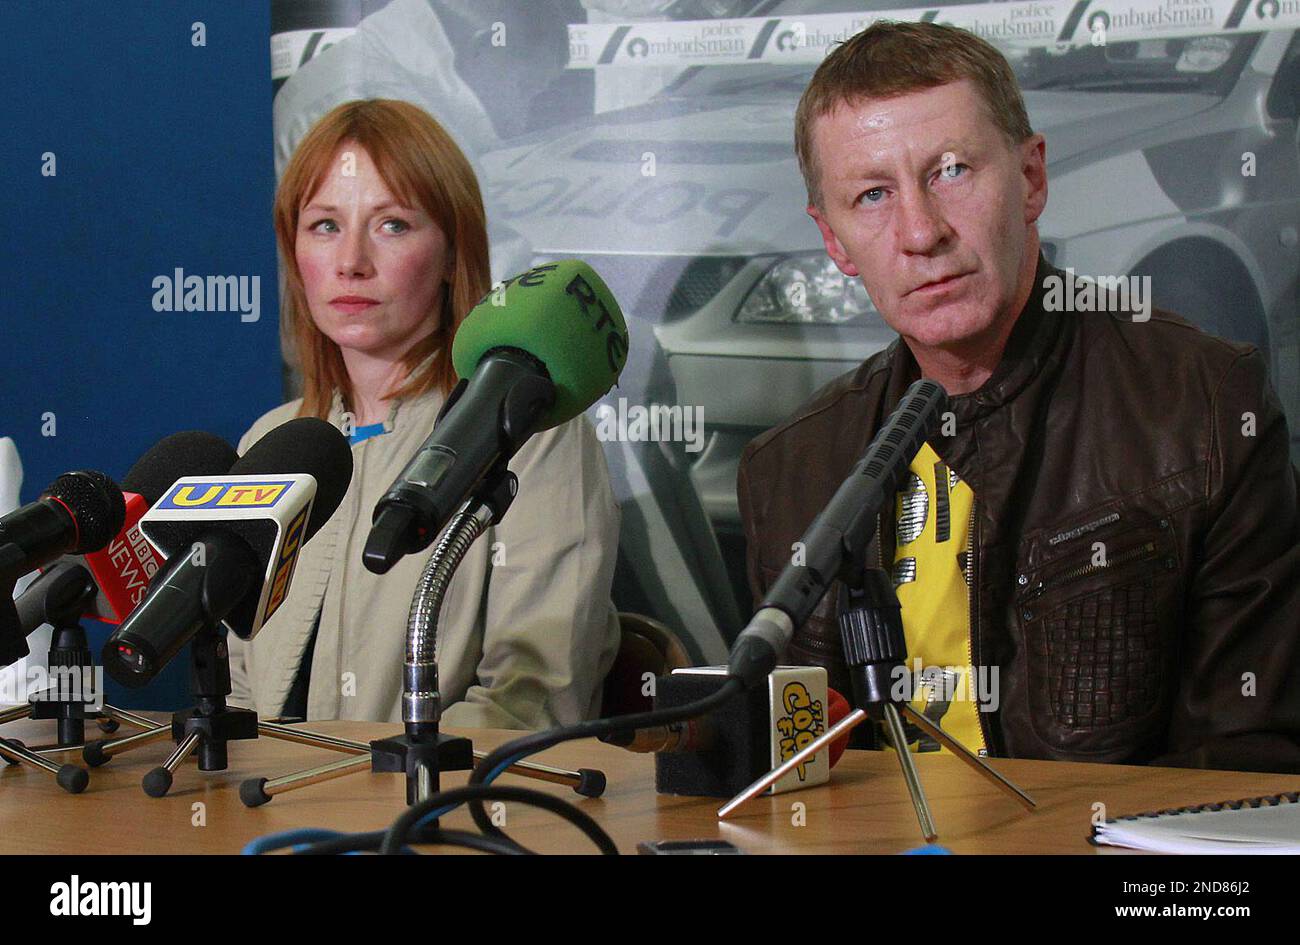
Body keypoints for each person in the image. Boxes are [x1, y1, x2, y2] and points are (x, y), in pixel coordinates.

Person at [738, 22, 1300, 772]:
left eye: (951, 171)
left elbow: (1246, 770)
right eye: (872, 194)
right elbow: (793, 773)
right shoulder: (789, 469)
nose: (920, 231)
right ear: (834, 240)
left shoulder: (1201, 407)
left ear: (1031, 178)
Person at [229, 99, 622, 729]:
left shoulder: (530, 434)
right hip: (267, 816)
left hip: (432, 815)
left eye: (392, 225)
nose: (351, 259)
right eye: (325, 225)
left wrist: (371, 802)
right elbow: (236, 691)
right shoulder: (272, 441)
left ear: (450, 255)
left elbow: (536, 699)